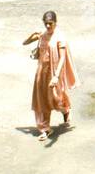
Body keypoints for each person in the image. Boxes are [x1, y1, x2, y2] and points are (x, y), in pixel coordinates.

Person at [23, 10, 77, 142]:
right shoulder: (41, 35)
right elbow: (24, 43)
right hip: (41, 72)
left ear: (55, 23)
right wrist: (32, 36)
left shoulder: (60, 37)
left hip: (54, 73)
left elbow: (63, 58)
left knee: (55, 98)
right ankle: (45, 128)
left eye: (50, 24)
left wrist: (56, 76)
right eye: (46, 23)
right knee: (41, 101)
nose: (48, 26)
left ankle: (65, 110)